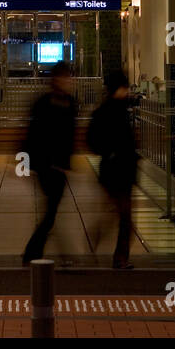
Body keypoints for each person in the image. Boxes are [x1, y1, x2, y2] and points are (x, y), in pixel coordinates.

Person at [21, 61, 78, 264]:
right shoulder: (43, 103)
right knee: (51, 211)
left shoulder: (71, 103)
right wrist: (26, 163)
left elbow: (70, 136)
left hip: (60, 166)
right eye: (64, 77)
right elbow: (32, 135)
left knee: (51, 212)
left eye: (68, 77)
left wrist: (67, 162)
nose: (67, 81)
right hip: (45, 165)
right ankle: (33, 253)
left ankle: (38, 253)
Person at [87, 69, 139, 269]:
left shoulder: (112, 110)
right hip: (117, 171)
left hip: (116, 171)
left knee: (115, 216)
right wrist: (112, 153)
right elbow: (95, 140)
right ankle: (119, 258)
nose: (127, 91)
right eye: (125, 87)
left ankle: (97, 243)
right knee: (124, 219)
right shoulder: (111, 112)